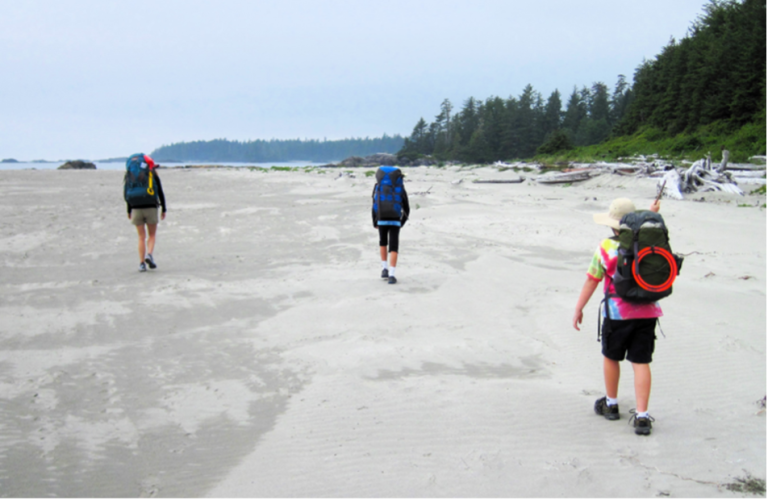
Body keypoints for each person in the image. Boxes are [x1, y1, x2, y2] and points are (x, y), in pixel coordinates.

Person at [572, 198, 662, 436]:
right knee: (641, 362)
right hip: (647, 311)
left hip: (617, 314)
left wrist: (578, 308)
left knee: (611, 356)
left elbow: (593, 279)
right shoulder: (650, 244)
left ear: (612, 225)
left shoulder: (606, 247)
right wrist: (651, 212)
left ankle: (611, 404)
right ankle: (642, 417)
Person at [125, 155, 167, 272]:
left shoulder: (130, 176)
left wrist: (129, 210)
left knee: (141, 237)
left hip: (136, 207)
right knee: (152, 235)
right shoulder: (153, 175)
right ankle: (149, 254)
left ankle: (142, 263)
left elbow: (126, 194)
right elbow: (160, 193)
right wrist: (164, 208)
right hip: (151, 207)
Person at [372, 167, 410, 285]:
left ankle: (384, 269)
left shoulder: (378, 186)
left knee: (382, 242)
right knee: (394, 247)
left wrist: (375, 222)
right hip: (395, 221)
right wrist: (401, 222)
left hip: (381, 219)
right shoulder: (400, 188)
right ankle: (392, 275)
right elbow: (407, 208)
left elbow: (374, 205)